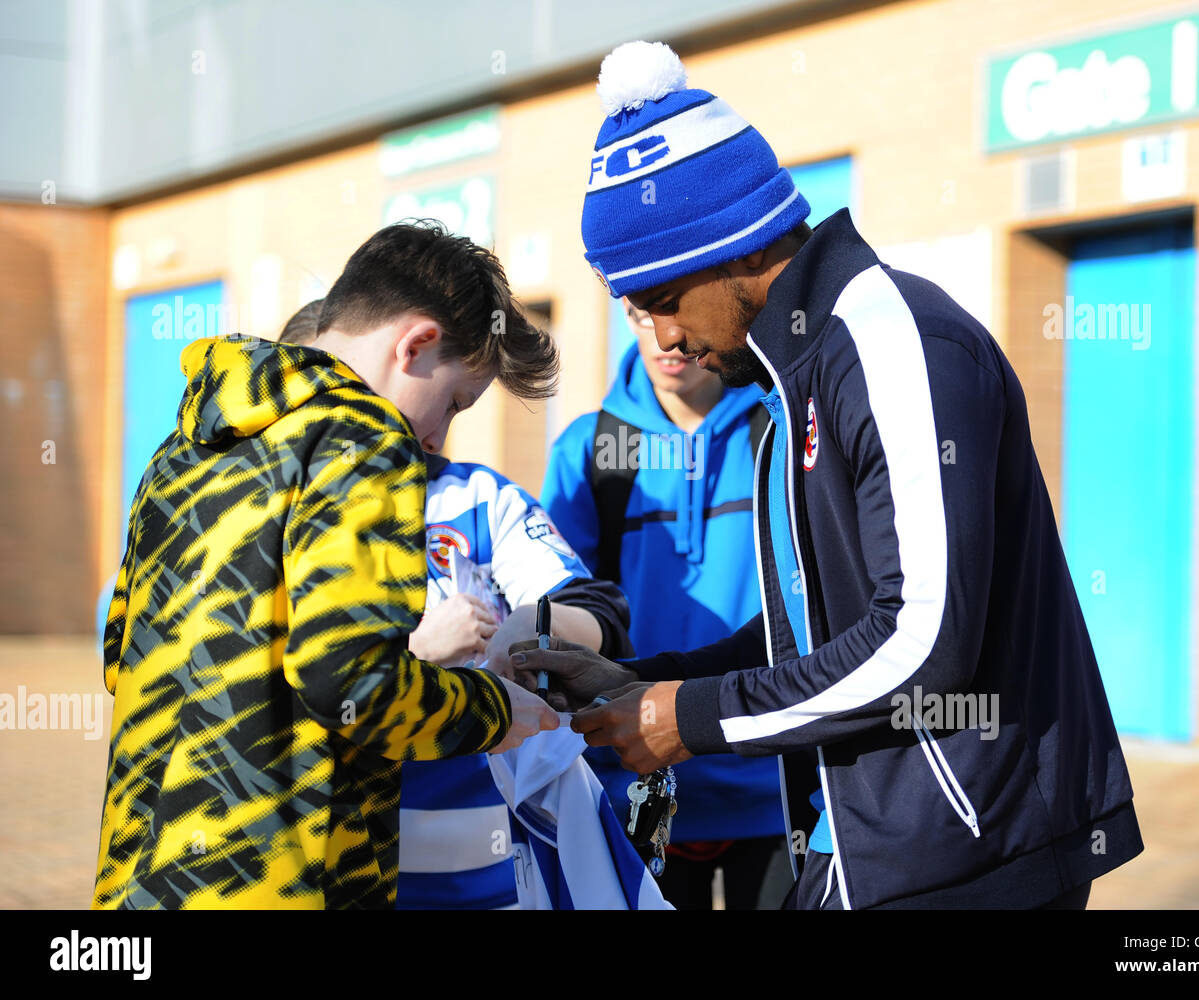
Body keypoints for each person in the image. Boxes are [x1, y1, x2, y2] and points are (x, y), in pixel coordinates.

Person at [511, 41, 1143, 909]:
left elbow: (921, 641)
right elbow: (811, 628)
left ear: (730, 247)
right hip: (873, 847)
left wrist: (686, 721)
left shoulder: (893, 344)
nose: (661, 341)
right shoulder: (793, 381)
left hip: (976, 856)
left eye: (660, 301)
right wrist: (650, 682)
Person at [94, 220, 560, 909]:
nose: (438, 435)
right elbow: (352, 684)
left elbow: (121, 655)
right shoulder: (367, 441)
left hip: (142, 875)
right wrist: (495, 710)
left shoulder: (181, 448)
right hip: (282, 881)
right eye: (455, 402)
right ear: (417, 344)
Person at [282, 295, 642, 909]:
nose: (437, 430)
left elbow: (597, 609)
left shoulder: (476, 496)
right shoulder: (263, 501)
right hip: (312, 853)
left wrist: (526, 630)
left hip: (473, 863)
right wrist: (411, 653)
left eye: (458, 408)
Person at [540, 296, 790, 909]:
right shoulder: (590, 449)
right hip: (638, 781)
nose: (658, 335)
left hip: (775, 777)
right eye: (634, 315)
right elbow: (556, 613)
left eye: (668, 308)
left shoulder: (780, 429)